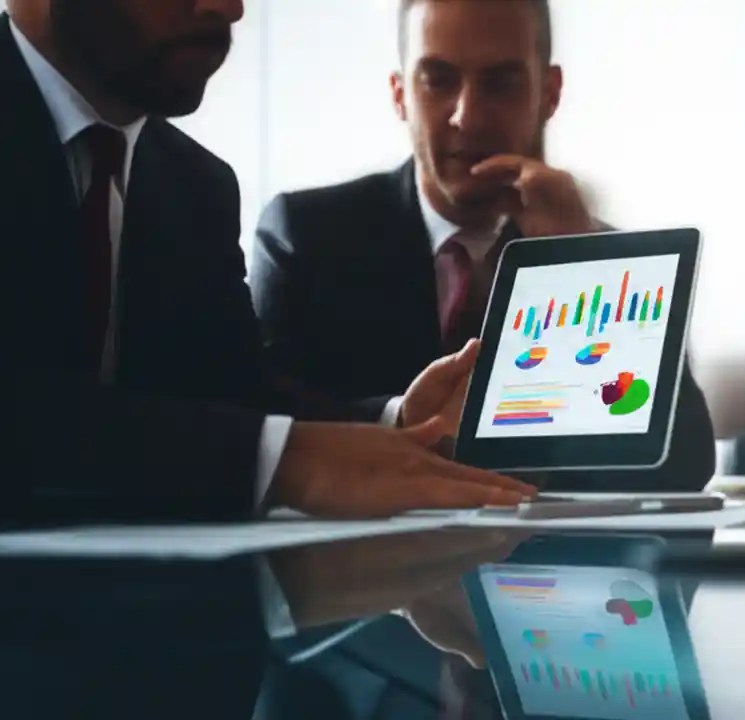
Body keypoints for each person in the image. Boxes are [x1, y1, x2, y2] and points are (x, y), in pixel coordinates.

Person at [0, 0, 534, 533]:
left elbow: (231, 394)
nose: (229, 8)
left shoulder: (194, 184)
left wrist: (395, 419)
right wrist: (277, 461)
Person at [250, 0, 716, 491]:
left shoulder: (602, 256)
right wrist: (399, 419)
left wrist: (580, 265)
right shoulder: (305, 236)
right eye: (438, 79)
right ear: (400, 93)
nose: (467, 117)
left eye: (501, 83)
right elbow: (259, 427)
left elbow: (682, 463)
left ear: (550, 94)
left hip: (550, 561)